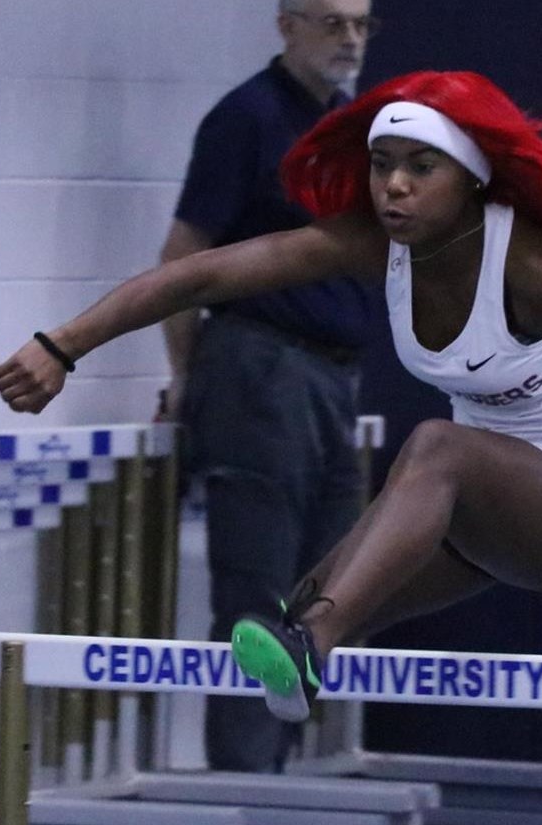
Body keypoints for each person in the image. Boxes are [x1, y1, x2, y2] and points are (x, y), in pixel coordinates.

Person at [0, 69, 542, 723]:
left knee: (435, 448)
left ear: (470, 178)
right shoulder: (375, 246)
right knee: (303, 600)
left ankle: (311, 655)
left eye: (419, 167)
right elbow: (204, 274)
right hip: (477, 517)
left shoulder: (539, 268)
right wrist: (63, 344)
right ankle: (304, 657)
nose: (393, 185)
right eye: (381, 163)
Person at [159, 0, 383, 773]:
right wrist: (188, 376)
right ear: (286, 26)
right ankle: (245, 779)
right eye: (331, 23)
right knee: (257, 593)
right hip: (259, 366)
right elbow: (182, 255)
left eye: (360, 24)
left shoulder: (359, 127)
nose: (349, 39)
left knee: (326, 590)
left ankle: (288, 769)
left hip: (334, 373)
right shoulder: (247, 118)